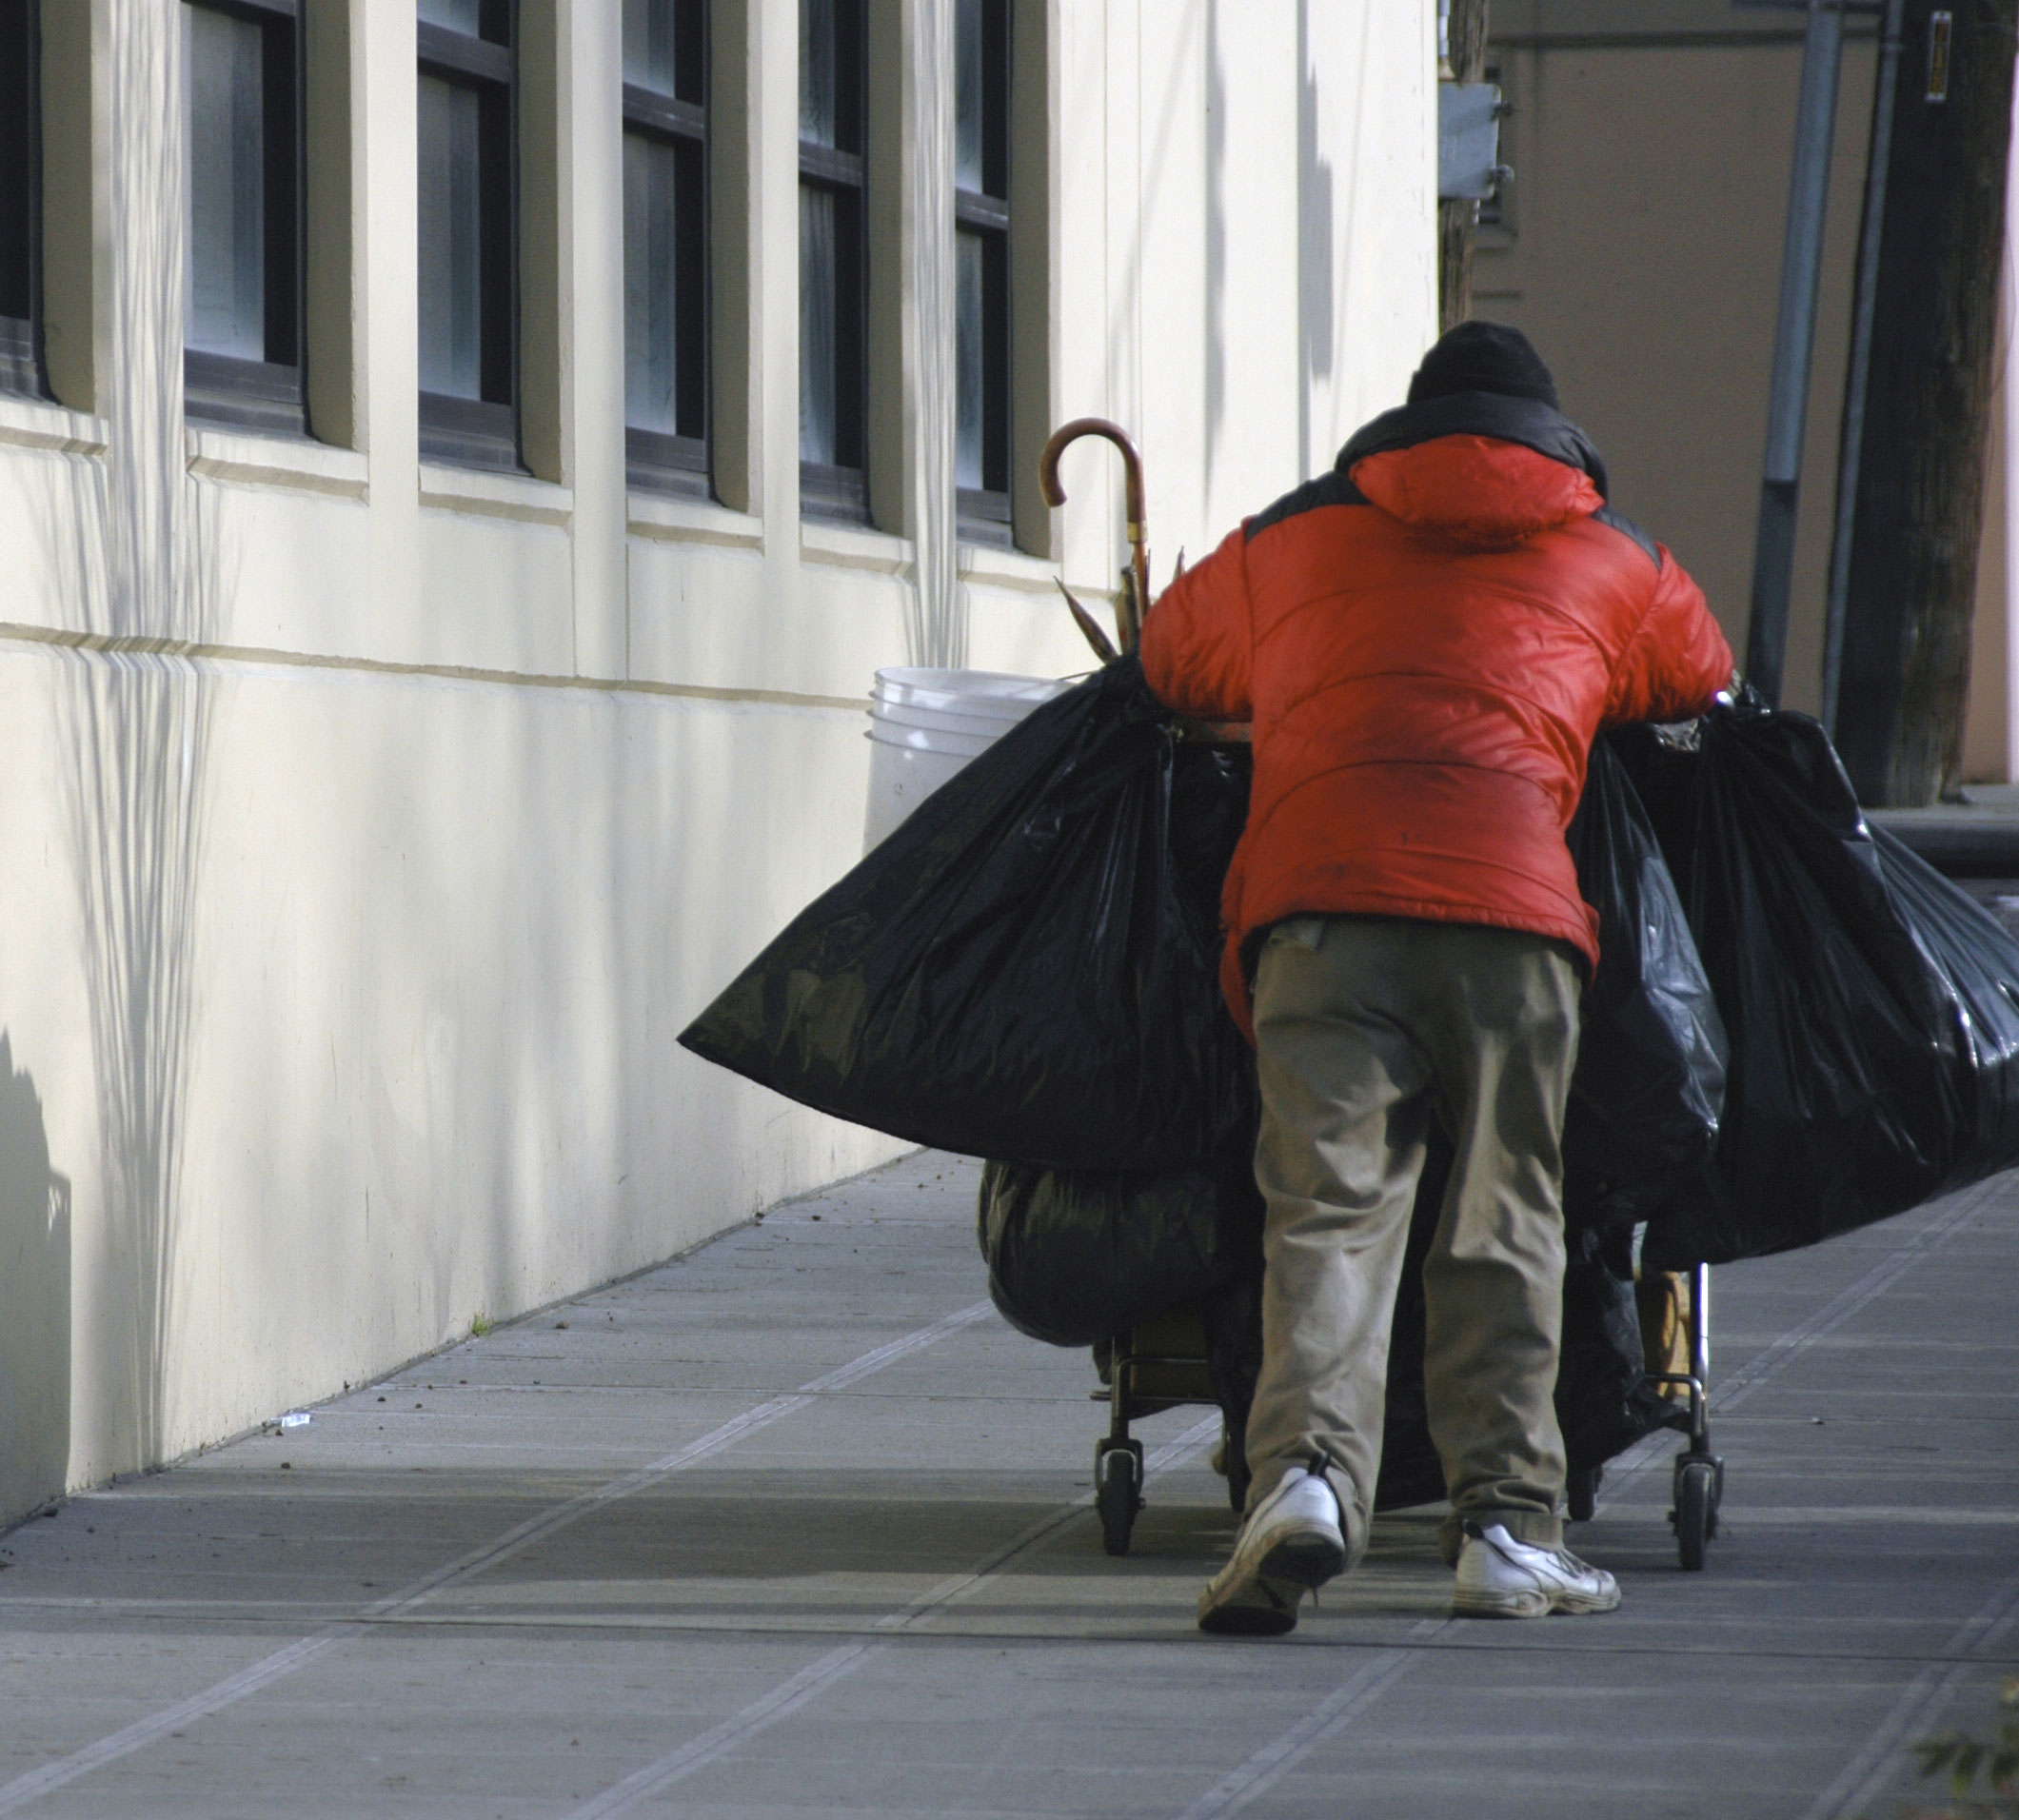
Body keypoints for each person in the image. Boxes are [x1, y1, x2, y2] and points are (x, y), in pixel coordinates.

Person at [1138, 322, 1733, 1634]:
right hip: (1513, 920)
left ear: (1401, 429)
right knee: (1501, 1217)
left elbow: (1170, 661)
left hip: (1313, 911)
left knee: (1327, 1214)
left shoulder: (1287, 540)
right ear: (1548, 433)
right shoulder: (1612, 550)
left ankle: (1299, 1479)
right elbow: (1698, 673)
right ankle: (1506, 1530)